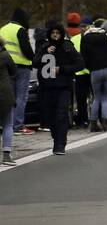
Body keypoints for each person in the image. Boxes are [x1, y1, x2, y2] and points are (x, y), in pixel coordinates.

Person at [35, 22, 81, 155]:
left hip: (63, 86)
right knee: (50, 116)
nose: (55, 36)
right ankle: (56, 138)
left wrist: (62, 69)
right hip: (47, 87)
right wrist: (45, 53)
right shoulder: (44, 46)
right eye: (53, 33)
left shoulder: (67, 47)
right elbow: (35, 62)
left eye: (58, 33)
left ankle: (60, 144)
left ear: (61, 34)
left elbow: (79, 64)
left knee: (61, 115)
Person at [79, 19, 107, 131]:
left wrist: (90, 67)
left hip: (95, 70)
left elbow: (83, 57)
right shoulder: (104, 37)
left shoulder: (85, 39)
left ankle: (93, 124)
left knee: (97, 98)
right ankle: (105, 123)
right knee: (105, 98)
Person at [1, 7, 36, 154]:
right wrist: (32, 58)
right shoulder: (20, 29)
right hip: (21, 66)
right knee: (21, 97)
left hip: (5, 67)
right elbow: (27, 49)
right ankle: (18, 125)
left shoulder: (3, 29)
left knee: (10, 98)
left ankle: (7, 124)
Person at [66, 12, 92, 128]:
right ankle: (92, 119)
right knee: (92, 98)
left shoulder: (74, 39)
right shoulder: (91, 38)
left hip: (78, 73)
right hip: (89, 71)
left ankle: (82, 120)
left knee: (80, 99)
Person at [0, 45, 15, 164]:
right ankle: (6, 155)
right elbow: (14, 72)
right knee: (8, 124)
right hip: (5, 93)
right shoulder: (4, 55)